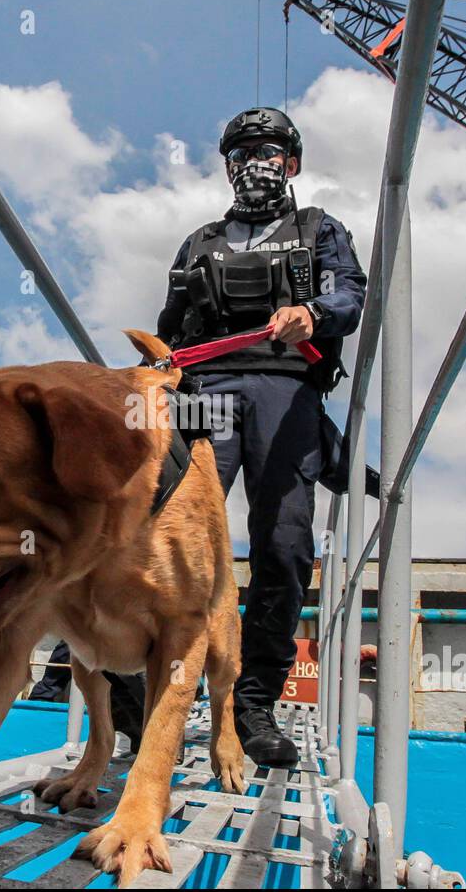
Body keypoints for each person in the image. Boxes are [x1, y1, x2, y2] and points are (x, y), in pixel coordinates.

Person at [155, 107, 366, 767]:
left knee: (283, 544)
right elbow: (167, 329)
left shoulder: (319, 228)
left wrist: (314, 312)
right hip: (202, 390)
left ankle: (253, 701)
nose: (254, 161)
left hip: (287, 388)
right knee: (171, 532)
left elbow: (350, 295)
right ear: (225, 165)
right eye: (242, 151)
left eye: (269, 150)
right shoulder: (199, 241)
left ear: (292, 163)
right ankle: (161, 682)